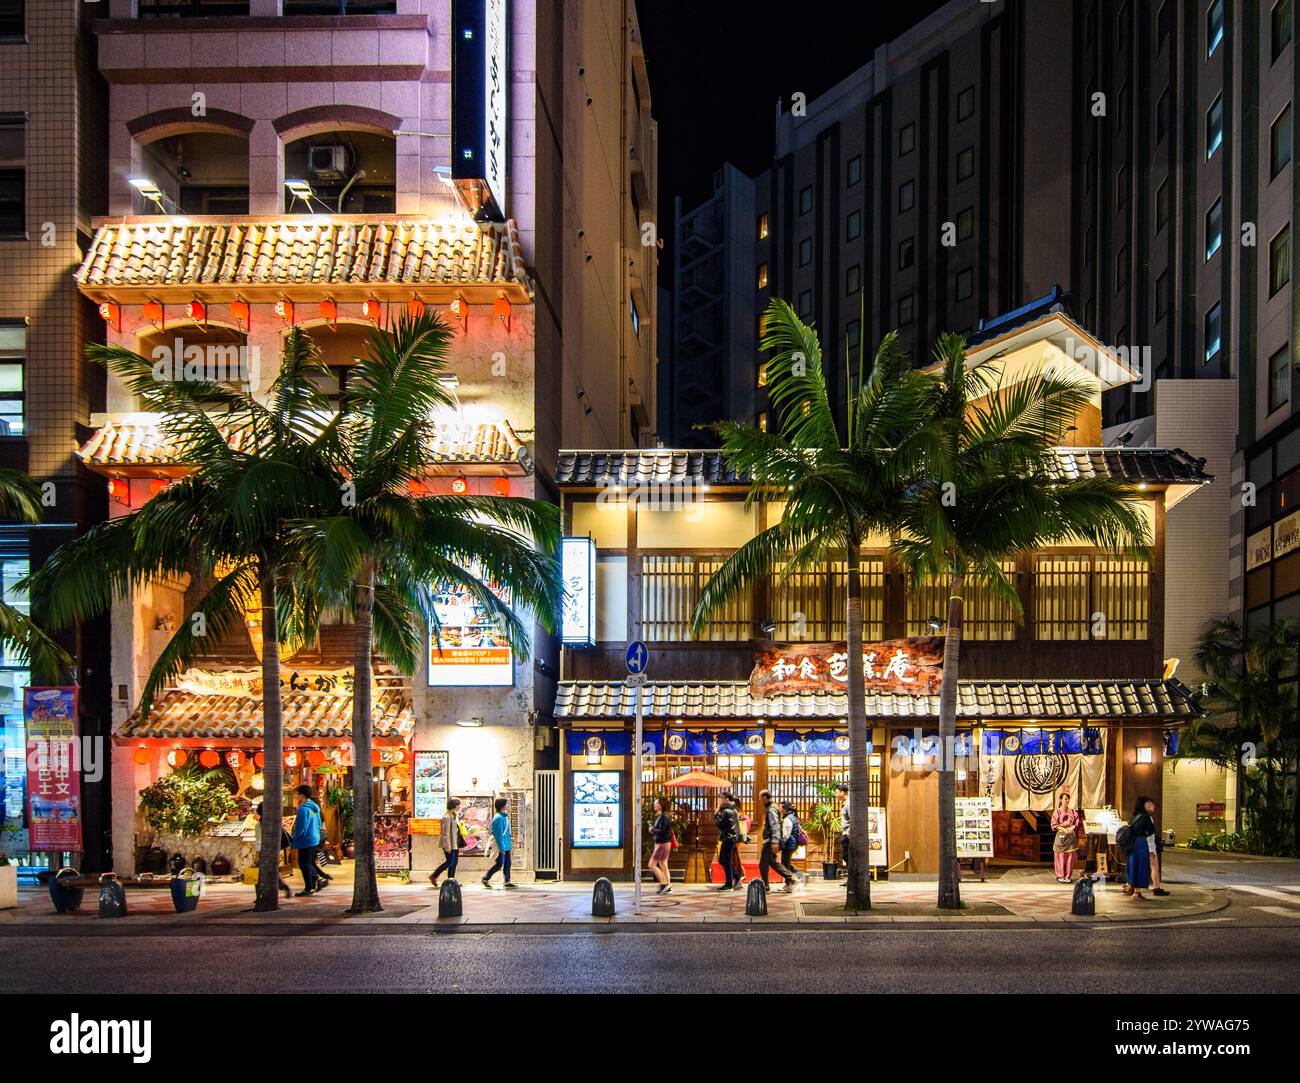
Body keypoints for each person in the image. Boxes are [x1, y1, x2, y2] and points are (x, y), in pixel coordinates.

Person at [758, 789, 801, 892]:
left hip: (770, 840)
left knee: (763, 864)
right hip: (771, 840)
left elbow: (775, 826)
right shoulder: (771, 807)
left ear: (765, 797)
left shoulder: (772, 809)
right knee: (772, 863)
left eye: (760, 797)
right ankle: (791, 878)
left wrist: (775, 841)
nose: (759, 800)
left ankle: (767, 885)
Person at [289, 784, 324, 896]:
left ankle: (309, 887)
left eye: (297, 795)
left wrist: (295, 838)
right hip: (314, 838)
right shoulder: (315, 807)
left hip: (305, 840)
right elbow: (319, 823)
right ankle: (314, 882)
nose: (296, 797)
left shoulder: (303, 809)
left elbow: (301, 827)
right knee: (308, 862)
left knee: (303, 864)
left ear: (302, 795)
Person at [254, 802, 292, 899]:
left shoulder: (260, 825)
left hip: (264, 852)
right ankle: (281, 885)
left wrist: (257, 856)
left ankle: (263, 895)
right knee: (272, 871)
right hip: (274, 851)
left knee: (263, 874)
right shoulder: (275, 823)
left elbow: (259, 842)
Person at [1124, 795, 1157, 900]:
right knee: (1141, 865)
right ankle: (1137, 892)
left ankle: (1131, 886)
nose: (1149, 805)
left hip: (1132, 844)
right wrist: (1144, 833)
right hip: (1141, 843)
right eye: (1147, 803)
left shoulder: (1133, 817)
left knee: (1133, 865)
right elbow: (1152, 830)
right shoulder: (1146, 817)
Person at [481, 797, 516, 889]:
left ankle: (507, 881)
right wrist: (502, 848)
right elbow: (498, 835)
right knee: (499, 864)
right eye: (506, 804)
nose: (508, 806)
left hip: (506, 844)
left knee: (508, 863)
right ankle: (485, 878)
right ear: (503, 806)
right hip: (501, 845)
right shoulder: (498, 818)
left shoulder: (503, 817)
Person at [1050, 790, 1082, 883]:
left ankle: (1068, 875)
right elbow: (1054, 824)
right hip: (1061, 834)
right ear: (1060, 800)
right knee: (1060, 856)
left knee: (1070, 857)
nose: (1067, 800)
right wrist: (1063, 829)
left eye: (1068, 799)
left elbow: (1076, 822)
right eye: (1065, 798)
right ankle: (1060, 875)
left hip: (1070, 835)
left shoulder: (1072, 811)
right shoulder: (1057, 812)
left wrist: (1072, 827)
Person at [429, 798, 462, 887]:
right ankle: (434, 876)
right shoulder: (447, 817)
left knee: (454, 862)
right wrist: (448, 847)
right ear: (454, 806)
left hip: (455, 843)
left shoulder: (454, 815)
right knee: (450, 862)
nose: (459, 806)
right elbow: (445, 833)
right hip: (450, 844)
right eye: (458, 804)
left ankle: (451, 881)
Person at [713, 792, 742, 891]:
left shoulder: (727, 811)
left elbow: (718, 824)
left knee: (726, 860)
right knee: (723, 860)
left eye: (721, 798)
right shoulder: (734, 809)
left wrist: (716, 813)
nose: (720, 800)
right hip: (731, 838)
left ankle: (729, 884)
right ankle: (736, 876)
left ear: (727, 799)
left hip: (728, 838)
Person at [647, 796, 673, 895]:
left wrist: (652, 829)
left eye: (656, 803)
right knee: (663, 864)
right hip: (665, 843)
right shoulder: (664, 816)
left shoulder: (663, 817)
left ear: (661, 805)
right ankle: (668, 885)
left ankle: (664, 884)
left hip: (662, 844)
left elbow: (662, 831)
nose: (654, 804)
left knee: (652, 864)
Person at [779, 799, 805, 885]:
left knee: (784, 865)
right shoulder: (793, 817)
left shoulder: (787, 819)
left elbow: (786, 835)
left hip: (789, 844)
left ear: (785, 809)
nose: (780, 810)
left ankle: (789, 883)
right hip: (792, 844)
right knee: (786, 863)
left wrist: (780, 844)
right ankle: (800, 875)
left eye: (781, 808)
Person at [835, 782, 852, 878]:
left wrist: (849, 834)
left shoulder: (848, 804)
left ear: (842, 792)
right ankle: (851, 878)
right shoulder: (845, 804)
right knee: (847, 857)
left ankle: (852, 879)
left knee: (847, 857)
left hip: (848, 835)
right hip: (846, 834)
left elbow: (852, 819)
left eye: (837, 793)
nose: (836, 795)